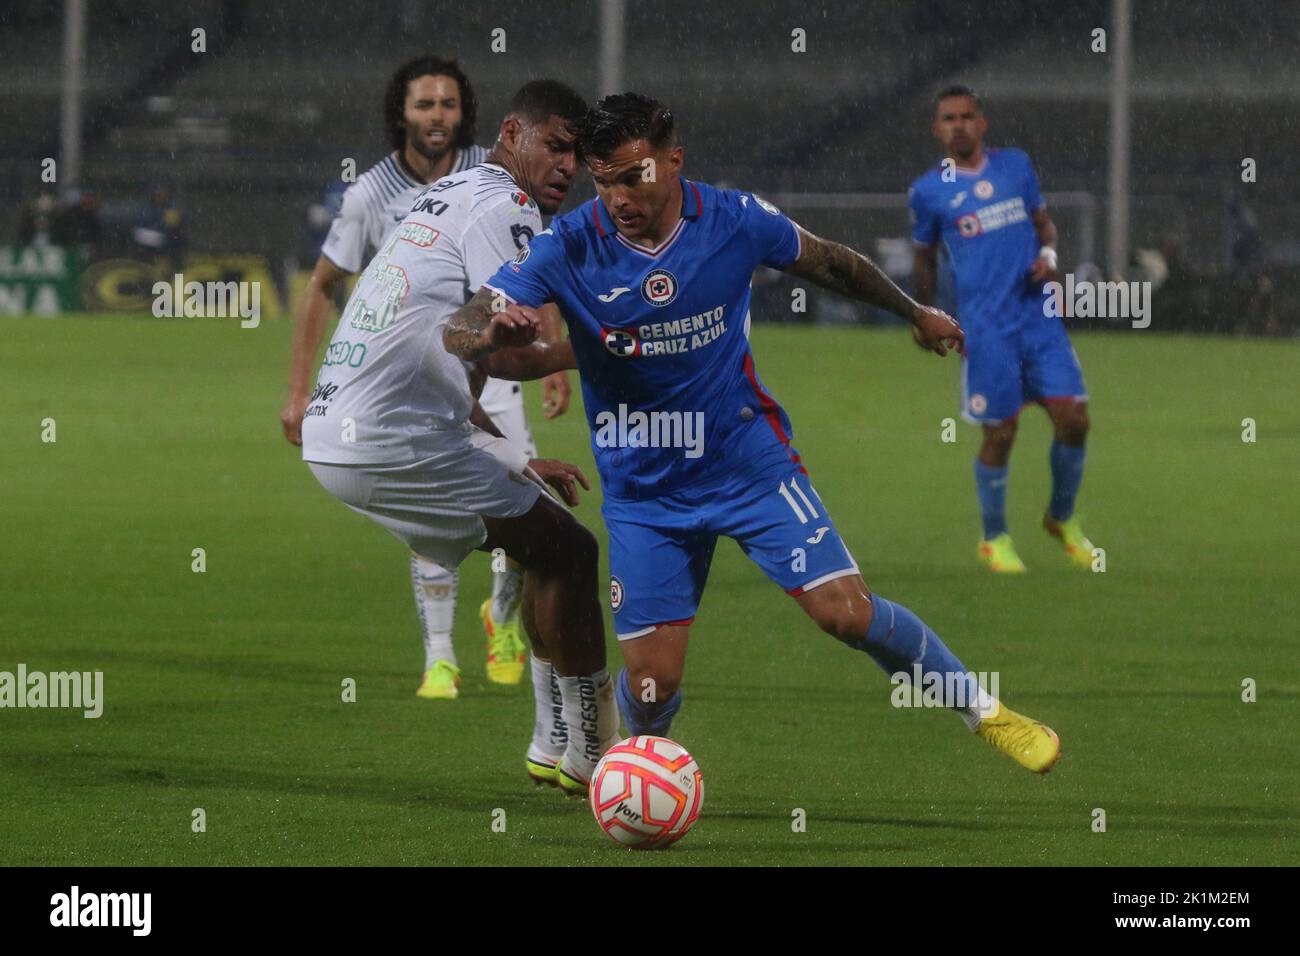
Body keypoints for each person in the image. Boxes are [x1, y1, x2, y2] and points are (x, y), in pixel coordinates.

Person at [446, 93, 1061, 774]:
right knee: (653, 685)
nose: (616, 196)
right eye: (602, 180)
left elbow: (830, 262)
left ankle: (987, 713)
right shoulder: (569, 244)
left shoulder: (734, 220)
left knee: (846, 614)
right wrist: (486, 332)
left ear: (672, 161)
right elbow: (464, 324)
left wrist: (914, 312)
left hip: (748, 464)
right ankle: (641, 772)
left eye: (632, 177)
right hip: (646, 494)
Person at [301, 80, 619, 792]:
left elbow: (453, 352)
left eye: (580, 155)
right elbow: (497, 352)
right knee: (572, 551)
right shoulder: (508, 206)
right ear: (513, 133)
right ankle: (600, 757)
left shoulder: (455, 193)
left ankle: (553, 745)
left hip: (356, 424)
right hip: (387, 435)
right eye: (558, 146)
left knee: (548, 541)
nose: (569, 167)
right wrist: (607, 348)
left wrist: (514, 456)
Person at [282, 56, 572, 700]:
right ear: (402, 114)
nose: (437, 116)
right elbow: (325, 287)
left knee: (522, 519)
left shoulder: (478, 179)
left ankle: (501, 620)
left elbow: (522, 282)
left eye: (447, 104)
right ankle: (443, 654)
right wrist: (593, 349)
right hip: (418, 378)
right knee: (551, 542)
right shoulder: (373, 193)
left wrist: (547, 348)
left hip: (450, 369)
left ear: (466, 113)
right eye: (424, 105)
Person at [910, 85, 1097, 573]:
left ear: (982, 123)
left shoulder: (1016, 166)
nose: (959, 125)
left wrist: (1049, 256)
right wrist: (920, 313)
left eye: (967, 116)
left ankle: (1061, 518)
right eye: (949, 118)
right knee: (1002, 432)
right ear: (937, 130)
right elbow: (923, 258)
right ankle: (995, 538)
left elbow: (1045, 225)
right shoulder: (929, 191)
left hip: (1038, 318)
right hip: (986, 328)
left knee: (1074, 420)